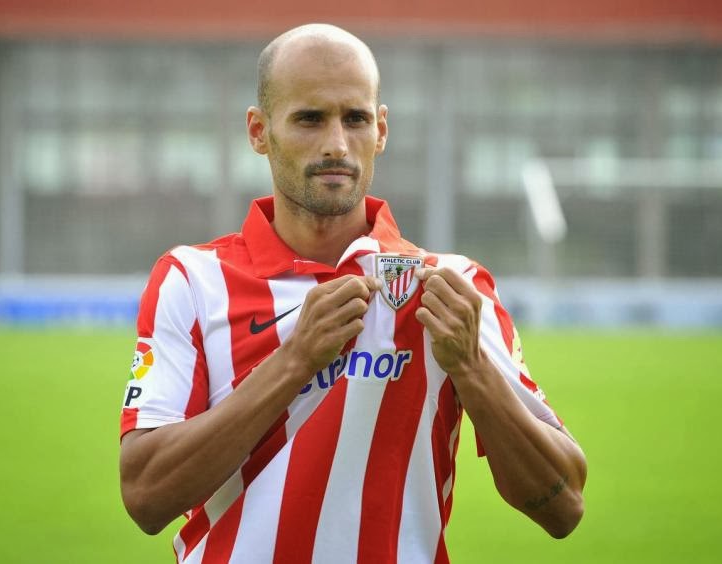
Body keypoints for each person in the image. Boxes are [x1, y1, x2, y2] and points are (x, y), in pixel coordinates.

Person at [119, 23, 587, 563]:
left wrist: (473, 369)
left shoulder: (452, 288)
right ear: (258, 131)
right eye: (309, 119)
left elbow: (564, 505)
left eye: (356, 118)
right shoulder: (192, 280)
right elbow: (146, 496)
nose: (337, 144)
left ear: (381, 130)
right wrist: (295, 360)